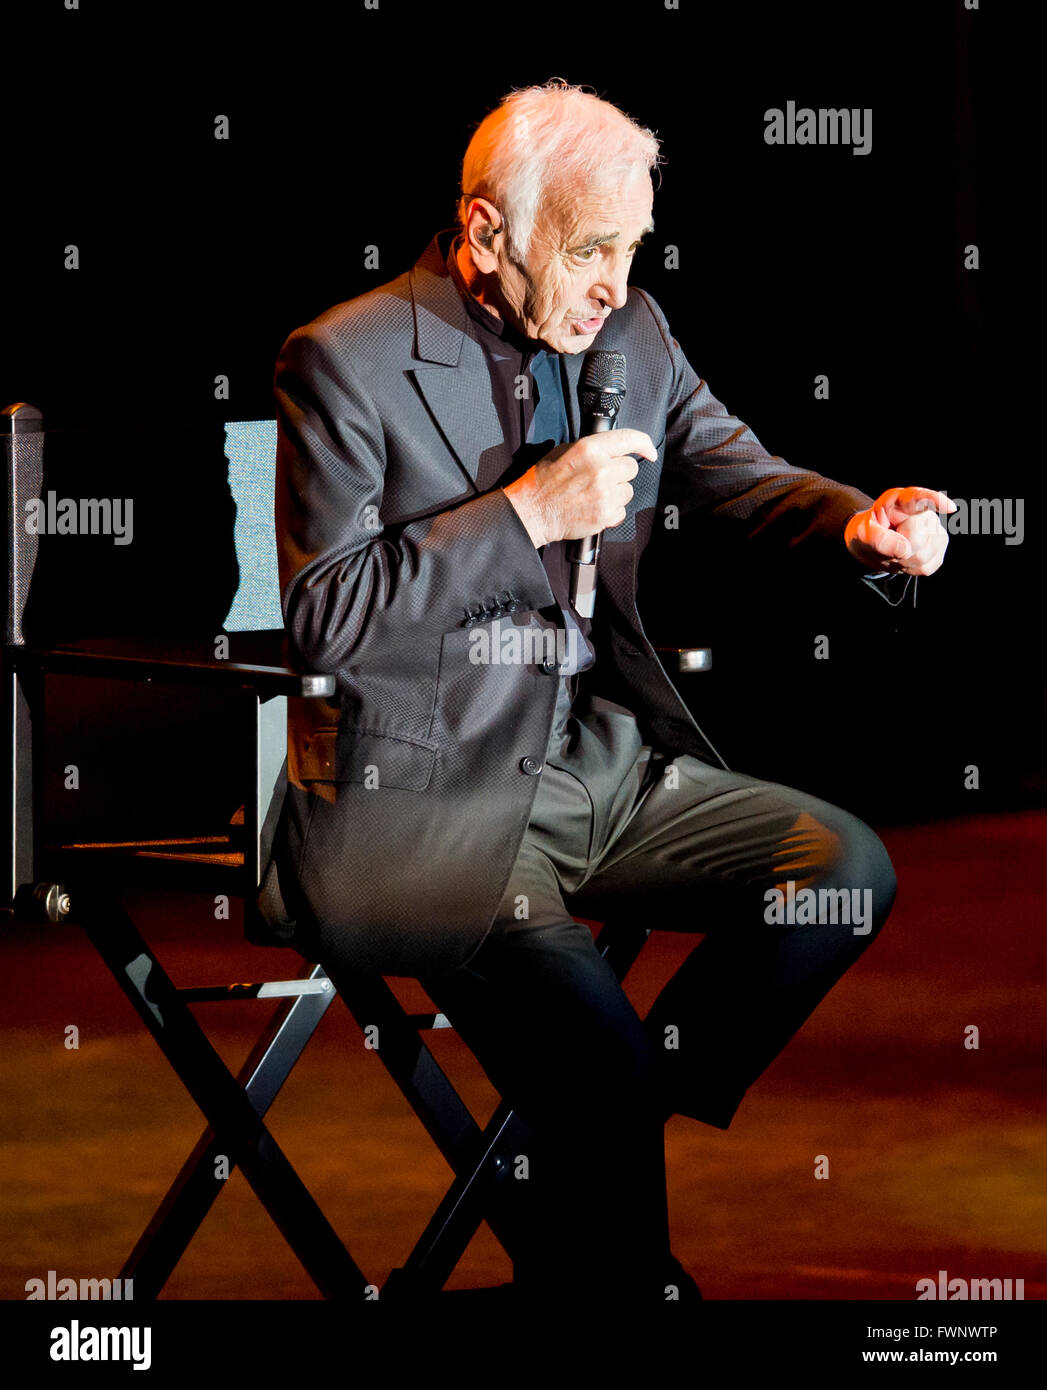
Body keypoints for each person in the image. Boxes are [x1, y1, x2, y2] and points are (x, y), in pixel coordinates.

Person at [266, 80, 951, 1303]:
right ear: (486, 233)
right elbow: (329, 619)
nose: (615, 284)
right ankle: (606, 1186)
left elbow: (742, 471)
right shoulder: (348, 360)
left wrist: (862, 527)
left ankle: (606, 1115)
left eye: (633, 248)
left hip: (604, 769)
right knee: (600, 1076)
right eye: (589, 250)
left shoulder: (632, 335)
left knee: (840, 869)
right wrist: (525, 515)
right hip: (432, 804)